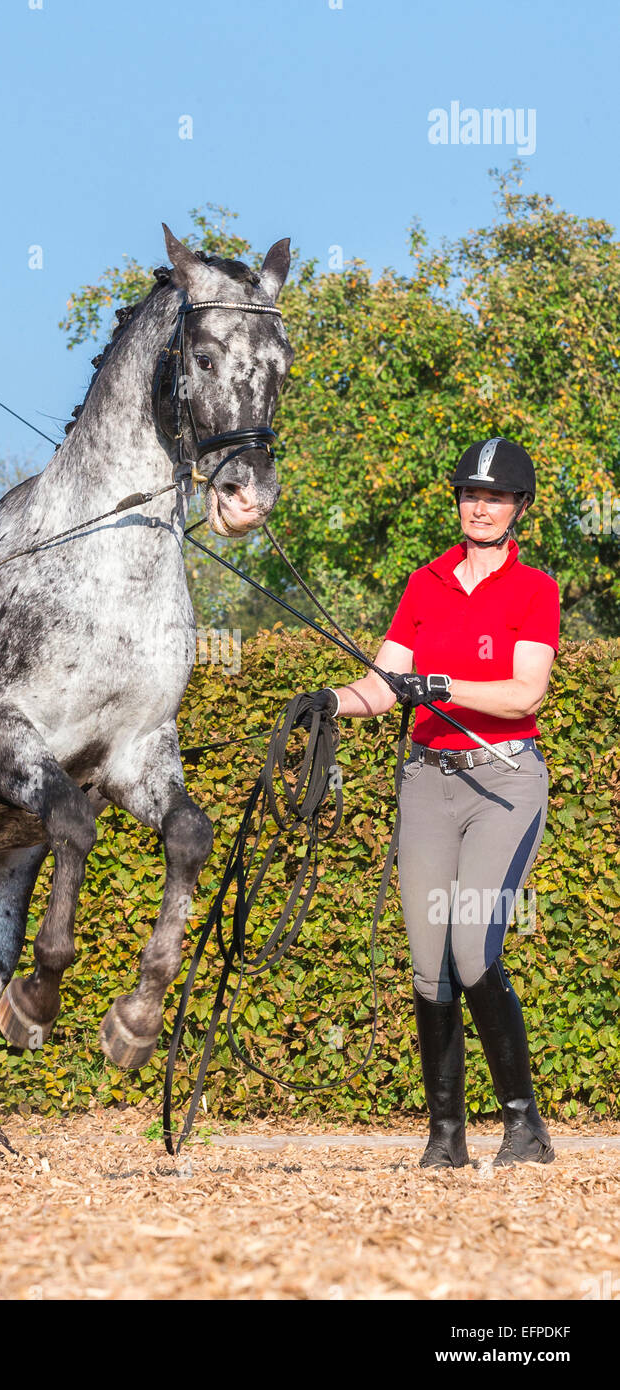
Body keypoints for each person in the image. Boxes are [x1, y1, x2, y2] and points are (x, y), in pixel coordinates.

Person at [302, 438, 559, 1168]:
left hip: (503, 784)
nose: (481, 506)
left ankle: (524, 1126)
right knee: (428, 965)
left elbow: (523, 692)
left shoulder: (535, 588)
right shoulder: (426, 583)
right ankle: (446, 1136)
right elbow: (386, 685)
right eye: (471, 495)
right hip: (427, 783)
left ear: (518, 508)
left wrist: (440, 686)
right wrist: (328, 700)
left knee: (474, 952)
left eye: (497, 496)